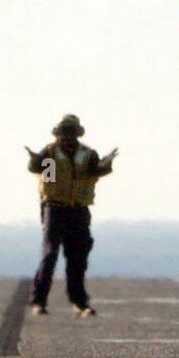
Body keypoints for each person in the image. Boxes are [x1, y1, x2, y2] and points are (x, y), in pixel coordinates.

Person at [26, 114, 117, 317]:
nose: (67, 135)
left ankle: (79, 302)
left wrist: (106, 164)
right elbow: (44, 174)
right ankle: (38, 301)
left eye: (70, 131)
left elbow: (96, 170)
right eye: (64, 131)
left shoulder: (87, 154)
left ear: (77, 133)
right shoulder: (50, 153)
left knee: (78, 257)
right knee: (49, 256)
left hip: (78, 210)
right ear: (57, 133)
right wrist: (35, 162)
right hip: (55, 209)